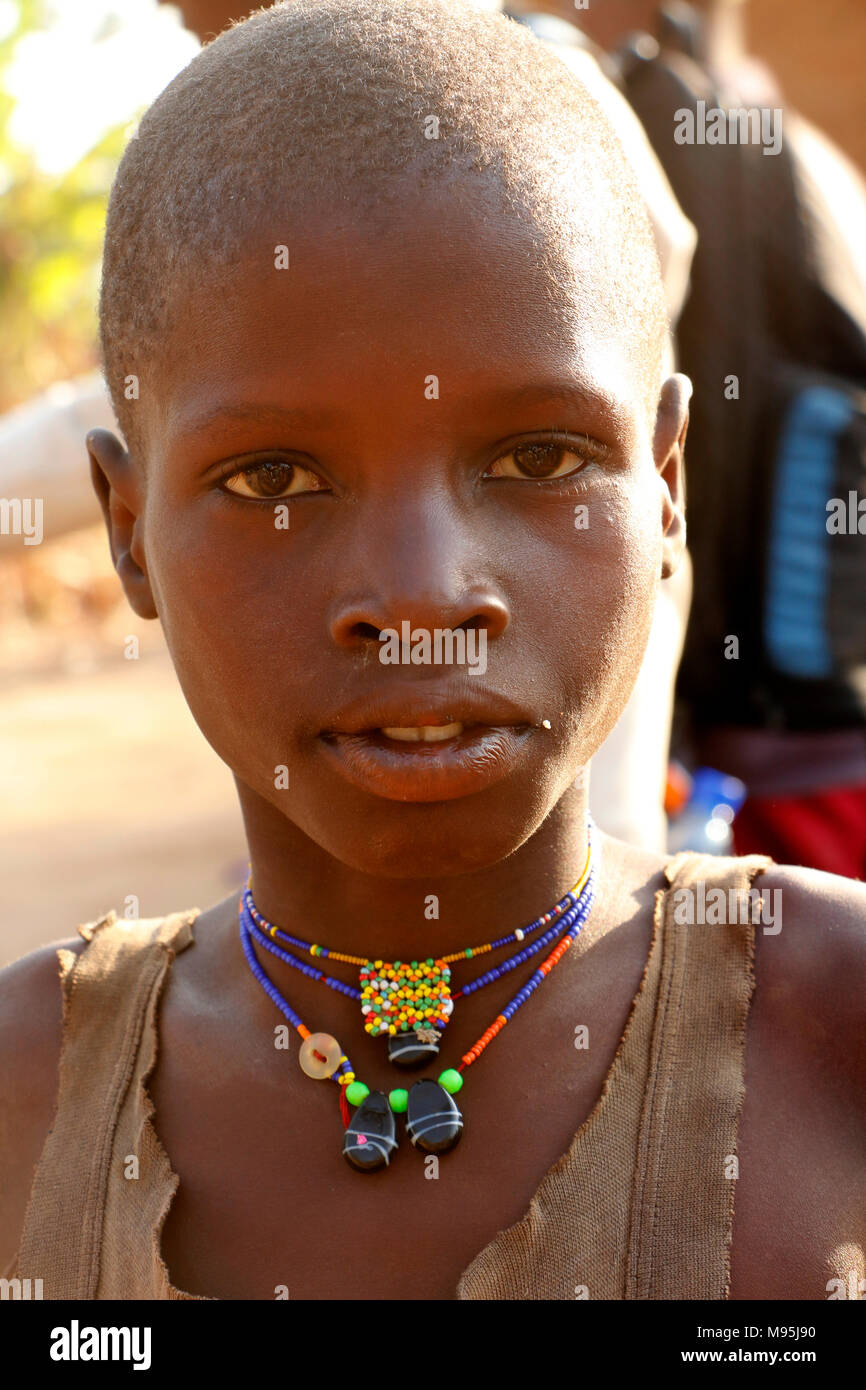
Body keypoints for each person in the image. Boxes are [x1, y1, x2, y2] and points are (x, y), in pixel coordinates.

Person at [2, 0, 863, 1301]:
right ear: (127, 531)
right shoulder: (28, 1095)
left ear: (666, 484)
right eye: (274, 474)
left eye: (537, 458)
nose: (414, 596)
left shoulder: (835, 1034)